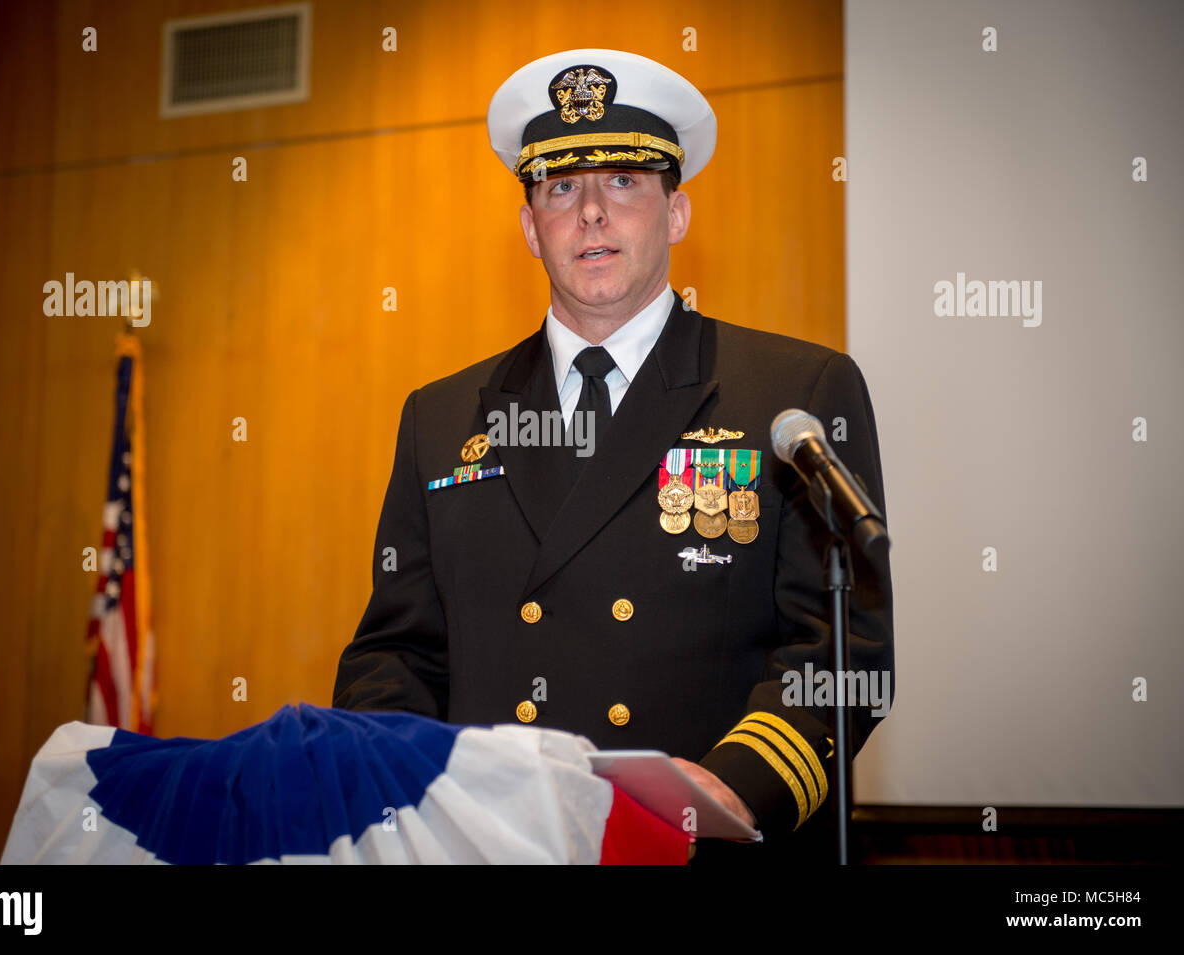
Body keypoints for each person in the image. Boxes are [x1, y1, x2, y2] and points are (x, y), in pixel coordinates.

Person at [333, 48, 894, 863]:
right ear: (531, 227)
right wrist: (399, 787)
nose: (592, 212)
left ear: (676, 214)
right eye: (561, 187)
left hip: (700, 844)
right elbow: (397, 651)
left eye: (624, 182)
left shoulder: (795, 394)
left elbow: (841, 647)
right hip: (494, 842)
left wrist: (729, 790)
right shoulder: (441, 416)